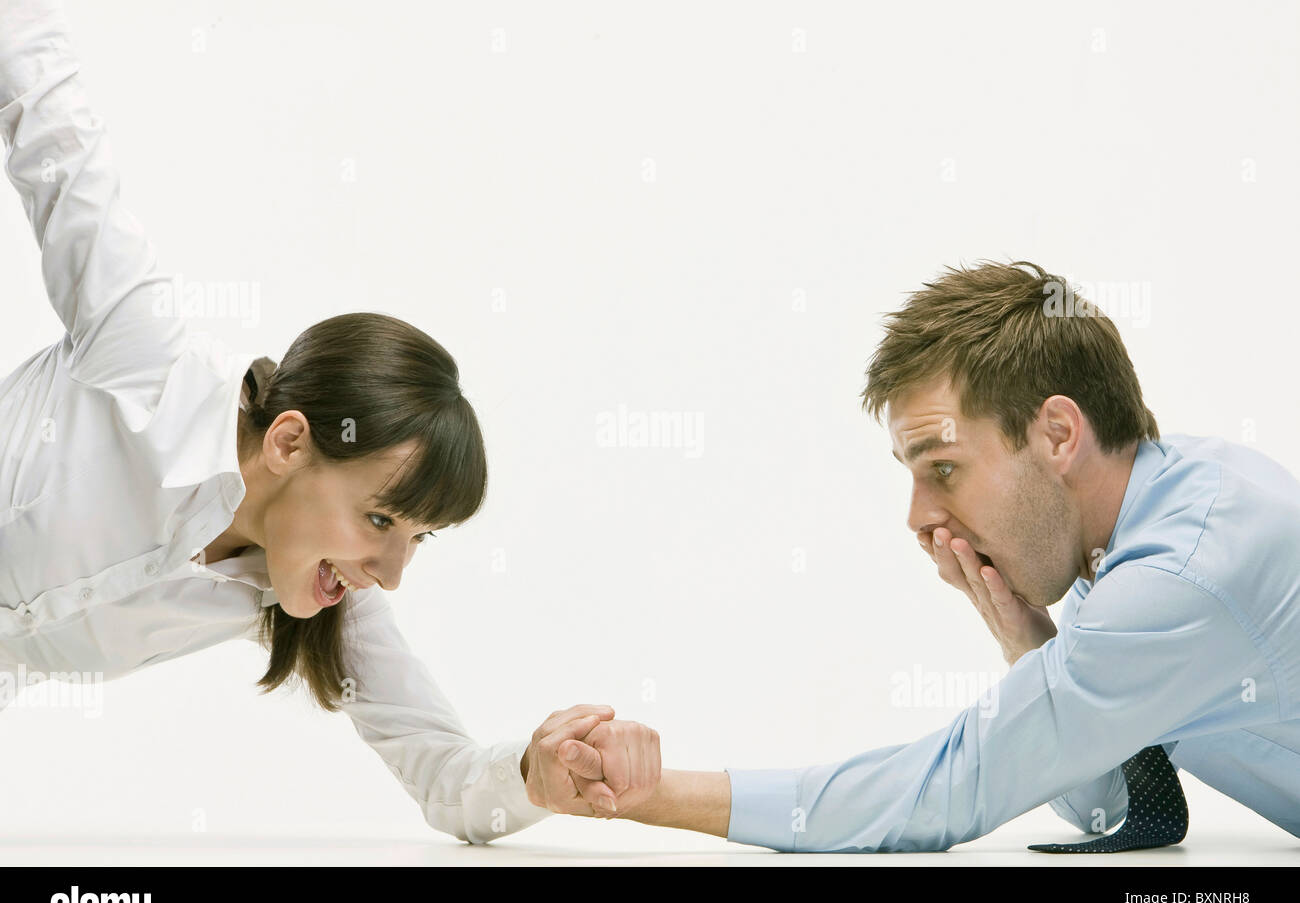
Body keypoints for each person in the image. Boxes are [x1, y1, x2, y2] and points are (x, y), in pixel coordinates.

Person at [0, 0, 659, 844]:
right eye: (381, 517)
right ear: (287, 442)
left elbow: (447, 778)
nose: (388, 572)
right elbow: (53, 123)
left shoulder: (318, 597)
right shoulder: (146, 362)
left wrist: (538, 777)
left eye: (417, 537)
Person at [578, 259, 1300, 850]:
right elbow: (1123, 810)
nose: (918, 516)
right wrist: (1028, 642)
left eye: (943, 467)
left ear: (1056, 435)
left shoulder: (1181, 575)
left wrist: (653, 792)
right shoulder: (1135, 527)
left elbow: (947, 788)